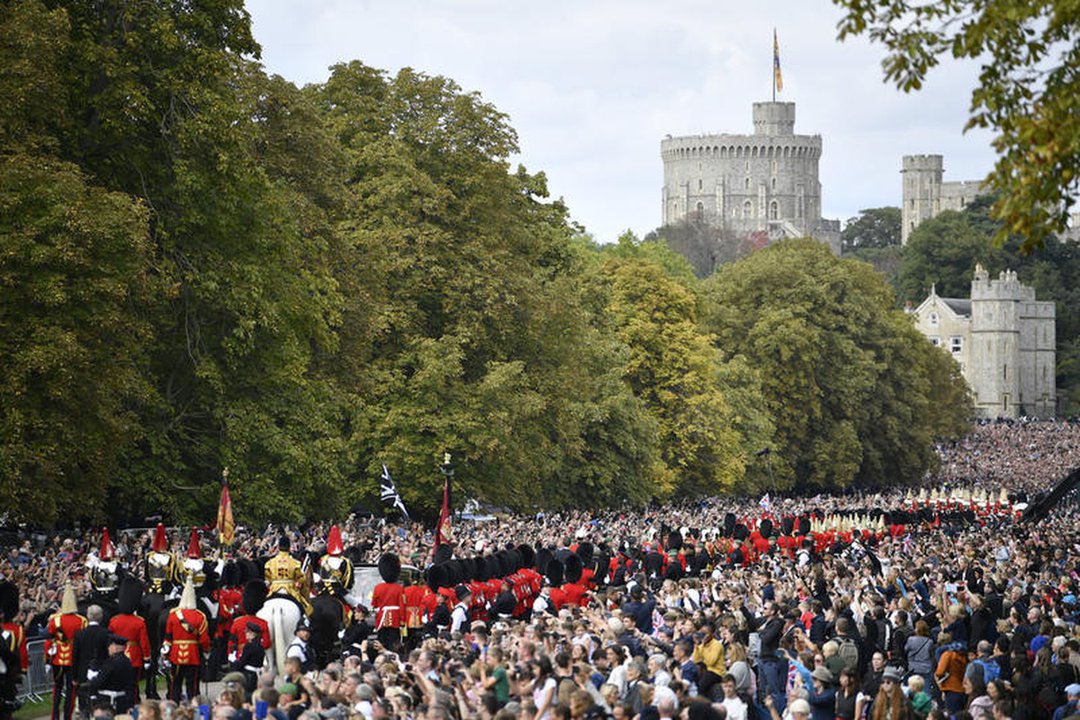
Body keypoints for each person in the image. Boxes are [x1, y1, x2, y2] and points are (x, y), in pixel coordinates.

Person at [163, 578, 210, 702]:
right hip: (193, 653)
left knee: (175, 683)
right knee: (192, 684)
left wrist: (165, 654)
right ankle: (193, 706)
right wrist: (206, 651)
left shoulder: (173, 615)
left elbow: (168, 637)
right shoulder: (200, 616)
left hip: (175, 652)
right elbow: (204, 639)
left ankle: (174, 704)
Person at [47, 584, 86, 720]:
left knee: (57, 688)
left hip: (57, 658)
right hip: (72, 658)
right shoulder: (81, 621)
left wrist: (47, 657)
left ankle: (55, 716)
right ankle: (67, 716)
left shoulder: (55, 619)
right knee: (71, 689)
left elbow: (49, 639)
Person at [108, 577, 150, 704]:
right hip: (134, 656)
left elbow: (109, 639)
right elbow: (144, 642)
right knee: (133, 685)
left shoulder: (114, 620)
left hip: (117, 655)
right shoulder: (139, 621)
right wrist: (147, 658)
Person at [73, 604, 111, 715]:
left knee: (84, 702)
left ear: (88, 616)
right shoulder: (106, 633)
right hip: (101, 670)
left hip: (83, 671)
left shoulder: (79, 634)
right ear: (101, 616)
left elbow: (75, 656)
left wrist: (74, 676)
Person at [84, 634, 136, 713]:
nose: (108, 648)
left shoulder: (110, 663)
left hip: (107, 700)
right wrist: (130, 704)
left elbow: (100, 681)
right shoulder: (127, 662)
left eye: (110, 645)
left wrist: (93, 679)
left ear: (115, 647)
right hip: (122, 701)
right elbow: (131, 685)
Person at [265, 536, 312, 617]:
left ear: (278, 547)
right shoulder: (295, 562)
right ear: (289, 547)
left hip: (274, 589)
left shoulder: (270, 562)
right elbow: (301, 578)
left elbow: (268, 578)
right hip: (290, 589)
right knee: (305, 608)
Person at [370, 554, 405, 650]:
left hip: (382, 617)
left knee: (381, 641)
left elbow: (374, 604)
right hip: (395, 618)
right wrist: (402, 621)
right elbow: (402, 605)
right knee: (394, 643)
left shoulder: (378, 587)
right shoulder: (399, 588)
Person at [230, 622, 265, 694]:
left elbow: (241, 663)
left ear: (253, 634)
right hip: (257, 675)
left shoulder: (249, 646)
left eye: (248, 632)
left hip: (248, 676)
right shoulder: (260, 646)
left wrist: (233, 660)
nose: (246, 634)